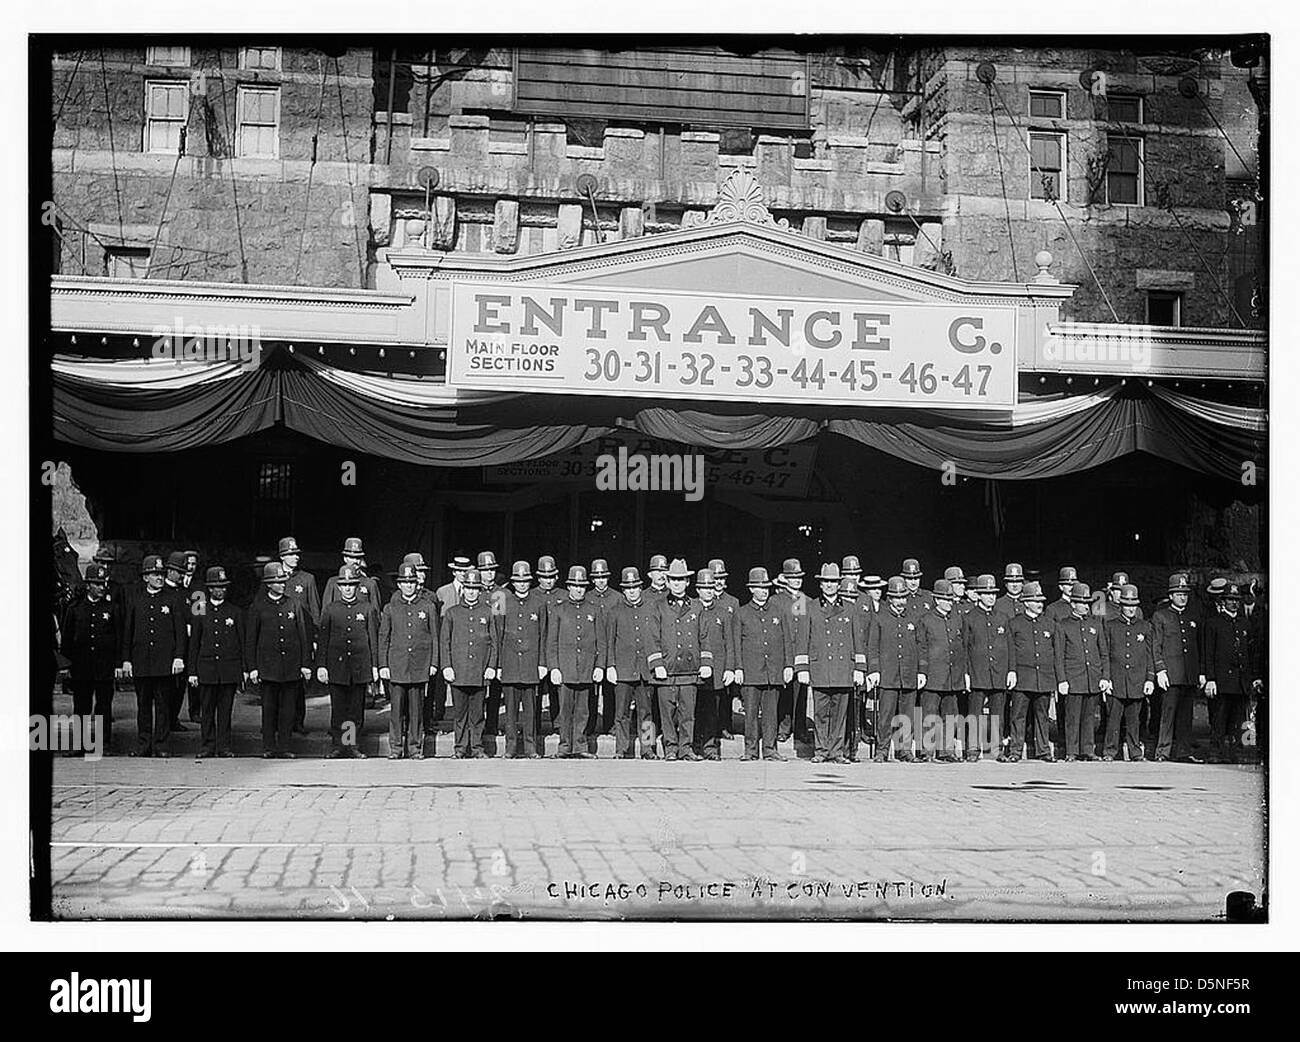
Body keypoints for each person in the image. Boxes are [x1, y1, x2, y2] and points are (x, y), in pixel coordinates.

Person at [121, 554, 187, 757]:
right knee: (142, 706)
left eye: (160, 573)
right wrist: (126, 659)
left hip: (164, 662)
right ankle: (143, 745)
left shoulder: (173, 599)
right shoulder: (135, 600)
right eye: (154, 574)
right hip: (141, 661)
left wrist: (179, 656)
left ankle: (161, 746)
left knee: (163, 706)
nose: (159, 577)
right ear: (145, 577)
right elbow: (128, 631)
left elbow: (180, 632)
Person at [647, 558, 711, 761]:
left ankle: (686, 748)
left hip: (690, 670)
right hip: (666, 669)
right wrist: (657, 664)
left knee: (687, 713)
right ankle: (671, 748)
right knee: (667, 713)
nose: (676, 583)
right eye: (673, 580)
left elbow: (704, 637)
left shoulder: (697, 607)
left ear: (687, 582)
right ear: (667, 581)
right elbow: (652, 637)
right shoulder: (658, 607)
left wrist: (706, 663)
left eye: (680, 580)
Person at [247, 561, 312, 759]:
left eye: (284, 581)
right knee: (269, 708)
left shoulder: (294, 604)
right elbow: (251, 639)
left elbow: (303, 636)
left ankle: (285, 745)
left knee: (288, 710)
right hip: (268, 667)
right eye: (278, 581)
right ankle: (268, 747)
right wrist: (252, 667)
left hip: (291, 667)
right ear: (268, 584)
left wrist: (305, 664)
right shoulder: (258, 607)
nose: (283, 584)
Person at [316, 565, 380, 759]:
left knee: (355, 710)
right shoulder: (331, 609)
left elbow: (373, 638)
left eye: (351, 585)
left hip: (359, 667)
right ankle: (338, 746)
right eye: (344, 585)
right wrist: (321, 665)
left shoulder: (366, 608)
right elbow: (323, 640)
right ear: (339, 587)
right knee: (338, 709)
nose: (348, 589)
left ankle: (351, 745)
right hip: (337, 666)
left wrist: (375, 666)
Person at [803, 563, 863, 764]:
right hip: (820, 667)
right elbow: (804, 638)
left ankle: (836, 752)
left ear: (839, 584)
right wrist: (802, 668)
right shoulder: (810, 607)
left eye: (833, 582)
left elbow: (858, 641)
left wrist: (859, 669)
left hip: (843, 668)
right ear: (820, 584)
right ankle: (821, 751)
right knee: (820, 714)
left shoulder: (851, 609)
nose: (829, 585)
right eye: (826, 581)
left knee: (839, 715)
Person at [60, 561, 121, 755]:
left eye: (103, 583)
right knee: (81, 706)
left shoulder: (112, 608)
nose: (102, 587)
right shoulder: (75, 608)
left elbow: (118, 637)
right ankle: (79, 744)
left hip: (104, 665)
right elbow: (67, 638)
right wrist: (66, 664)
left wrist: (118, 663)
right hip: (81, 665)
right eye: (97, 584)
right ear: (88, 585)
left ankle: (104, 744)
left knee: (104, 706)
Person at [185, 566, 245, 759]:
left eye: (224, 586)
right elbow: (194, 642)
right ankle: (207, 745)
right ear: (210, 589)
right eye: (217, 587)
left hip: (228, 669)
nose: (222, 590)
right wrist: (192, 671)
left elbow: (241, 642)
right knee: (208, 710)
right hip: (207, 668)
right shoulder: (200, 610)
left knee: (225, 711)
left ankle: (224, 746)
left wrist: (242, 669)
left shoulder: (235, 611)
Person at [379, 563, 438, 760]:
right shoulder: (390, 608)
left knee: (417, 711)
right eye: (405, 583)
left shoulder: (428, 607)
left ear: (417, 583)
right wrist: (383, 665)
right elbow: (384, 638)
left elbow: (435, 637)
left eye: (412, 582)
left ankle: (415, 747)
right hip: (397, 666)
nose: (409, 586)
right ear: (399, 585)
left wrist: (433, 663)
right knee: (396, 711)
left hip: (419, 666)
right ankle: (395, 748)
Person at [439, 567, 498, 759]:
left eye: (475, 588)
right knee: (460, 713)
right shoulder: (452, 613)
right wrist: (446, 666)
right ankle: (460, 748)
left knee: (477, 713)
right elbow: (444, 642)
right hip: (459, 670)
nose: (471, 591)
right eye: (468, 588)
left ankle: (477, 747)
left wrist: (491, 666)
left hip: (479, 671)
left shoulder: (488, 612)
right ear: (462, 589)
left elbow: (494, 642)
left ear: (480, 590)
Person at [735, 567, 792, 761]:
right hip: (751, 671)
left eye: (766, 587)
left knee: (771, 714)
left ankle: (770, 749)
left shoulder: (779, 611)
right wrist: (738, 668)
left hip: (773, 671)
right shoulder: (741, 613)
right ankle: (750, 750)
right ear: (751, 589)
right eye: (759, 587)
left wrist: (788, 666)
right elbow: (736, 643)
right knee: (750, 713)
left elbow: (787, 639)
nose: (764, 591)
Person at [547, 565, 603, 759]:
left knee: (583, 711)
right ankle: (564, 747)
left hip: (586, 667)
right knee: (565, 710)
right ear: (568, 586)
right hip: (566, 668)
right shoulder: (558, 609)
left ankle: (580, 746)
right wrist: (553, 667)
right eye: (575, 585)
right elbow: (551, 642)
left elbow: (600, 641)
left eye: (582, 586)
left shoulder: (593, 610)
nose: (579, 589)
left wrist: (599, 666)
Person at [494, 560, 547, 759]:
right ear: (513, 582)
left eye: (525, 580)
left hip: (530, 664)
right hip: (509, 663)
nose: (522, 584)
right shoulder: (500, 599)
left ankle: (530, 747)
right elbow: (496, 635)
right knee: (510, 711)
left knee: (530, 711)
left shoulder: (539, 603)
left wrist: (542, 663)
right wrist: (498, 664)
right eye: (518, 580)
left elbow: (544, 634)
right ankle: (510, 748)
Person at [1053, 582, 1112, 762]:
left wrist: (1105, 676)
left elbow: (1103, 653)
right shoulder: (1063, 625)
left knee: (1088, 717)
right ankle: (1071, 750)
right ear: (1073, 604)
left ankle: (1088, 749)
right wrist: (1062, 680)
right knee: (1072, 717)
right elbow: (1059, 656)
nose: (1086, 606)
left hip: (1091, 677)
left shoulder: (1096, 623)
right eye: (1082, 602)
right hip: (1073, 677)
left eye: (1088, 602)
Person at [1203, 582, 1261, 764]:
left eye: (1236, 600)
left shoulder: (1245, 623)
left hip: (1241, 680)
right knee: (1219, 718)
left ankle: (1237, 752)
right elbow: (1208, 653)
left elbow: (1251, 653)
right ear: (1223, 601)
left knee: (1239, 719)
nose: (1234, 603)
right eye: (1230, 600)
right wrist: (1210, 678)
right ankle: (1216, 752)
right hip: (1222, 680)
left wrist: (1254, 677)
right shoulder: (1214, 623)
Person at [867, 576, 922, 763]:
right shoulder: (879, 618)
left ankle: (904, 750)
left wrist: (922, 671)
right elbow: (872, 646)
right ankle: (882, 750)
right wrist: (874, 670)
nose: (900, 601)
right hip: (888, 674)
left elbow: (921, 645)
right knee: (886, 716)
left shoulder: (914, 618)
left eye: (903, 597)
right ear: (889, 598)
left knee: (906, 716)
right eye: (896, 597)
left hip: (908, 674)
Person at [1151, 573, 1205, 763]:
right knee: (1168, 715)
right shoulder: (1161, 616)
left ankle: (1183, 751)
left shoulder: (1193, 617)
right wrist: (1160, 670)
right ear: (1171, 595)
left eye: (1185, 593)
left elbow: (1199, 646)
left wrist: (1200, 673)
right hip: (1171, 674)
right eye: (1179, 593)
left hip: (1189, 674)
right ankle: (1162, 752)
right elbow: (1155, 645)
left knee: (1186, 716)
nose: (1183, 597)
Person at [607, 566, 659, 759]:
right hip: (623, 669)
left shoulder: (651, 608)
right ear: (623, 590)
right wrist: (610, 666)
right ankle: (621, 748)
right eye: (628, 588)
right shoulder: (615, 611)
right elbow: (609, 640)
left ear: (640, 587)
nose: (632, 591)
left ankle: (648, 748)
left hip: (645, 669)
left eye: (635, 587)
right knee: (621, 713)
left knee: (646, 712)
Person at [962, 574, 1012, 762]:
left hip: (998, 673)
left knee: (997, 715)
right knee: (974, 714)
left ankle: (996, 750)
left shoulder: (1003, 618)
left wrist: (1011, 670)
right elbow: (965, 648)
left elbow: (1009, 647)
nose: (991, 597)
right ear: (979, 595)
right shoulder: (969, 618)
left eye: (993, 593)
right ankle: (973, 750)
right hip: (977, 673)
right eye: (987, 593)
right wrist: (966, 673)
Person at [1102, 584, 1155, 762]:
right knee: (1113, 718)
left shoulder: (1145, 626)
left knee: (1134, 720)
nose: (1131, 608)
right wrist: (1106, 678)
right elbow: (1106, 654)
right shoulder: (1110, 626)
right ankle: (1110, 751)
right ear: (1121, 605)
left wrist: (1149, 679)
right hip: (1116, 680)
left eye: (1134, 605)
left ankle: (1135, 751)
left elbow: (1150, 654)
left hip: (1137, 680)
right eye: (1127, 604)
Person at [916, 578, 966, 763]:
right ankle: (926, 752)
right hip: (933, 675)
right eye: (945, 599)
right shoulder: (926, 620)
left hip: (952, 675)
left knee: (950, 715)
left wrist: (963, 673)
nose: (949, 602)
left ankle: (945, 751)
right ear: (936, 600)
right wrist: (922, 671)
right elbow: (921, 647)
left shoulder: (957, 619)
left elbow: (963, 647)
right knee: (929, 714)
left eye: (951, 599)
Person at [1007, 581, 1055, 762]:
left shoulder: (1050, 624)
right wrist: (1011, 672)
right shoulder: (1015, 623)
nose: (1040, 604)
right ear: (1026, 602)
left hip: (1043, 678)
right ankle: (1015, 751)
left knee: (1042, 716)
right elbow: (1011, 650)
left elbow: (1054, 652)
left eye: (1041, 601)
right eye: (1036, 601)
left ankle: (1044, 751)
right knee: (1018, 716)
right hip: (1022, 677)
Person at [693, 567, 737, 761]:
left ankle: (710, 747)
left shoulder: (724, 613)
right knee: (692, 710)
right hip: (695, 669)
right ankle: (693, 745)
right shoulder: (691, 610)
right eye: (704, 587)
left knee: (712, 711)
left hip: (717, 671)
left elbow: (731, 643)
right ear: (697, 590)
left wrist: (730, 668)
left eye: (711, 587)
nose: (709, 590)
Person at [774, 557, 810, 745]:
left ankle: (800, 728)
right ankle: (783, 727)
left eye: (799, 577)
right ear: (785, 578)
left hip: (802, 654)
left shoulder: (807, 601)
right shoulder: (776, 601)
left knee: (801, 693)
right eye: (792, 577)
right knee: (784, 693)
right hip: (783, 655)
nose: (796, 580)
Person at [586, 558, 618, 747]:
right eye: (597, 577)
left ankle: (610, 725)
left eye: (604, 577)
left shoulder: (617, 597)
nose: (601, 581)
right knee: (591, 690)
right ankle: (590, 724)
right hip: (592, 650)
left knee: (611, 690)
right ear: (592, 579)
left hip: (612, 648)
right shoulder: (587, 597)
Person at [709, 558, 741, 739]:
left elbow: (735, 635)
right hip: (707, 657)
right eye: (715, 578)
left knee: (726, 695)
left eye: (721, 578)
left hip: (725, 656)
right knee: (708, 697)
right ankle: (709, 728)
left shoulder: (733, 602)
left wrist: (735, 663)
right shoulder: (700, 602)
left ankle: (724, 726)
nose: (718, 582)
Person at [476, 551, 504, 745]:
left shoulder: (498, 594)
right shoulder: (472, 590)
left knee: (494, 690)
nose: (489, 574)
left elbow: (499, 625)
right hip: (477, 649)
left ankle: (492, 724)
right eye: (485, 570)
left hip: (493, 646)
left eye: (492, 570)